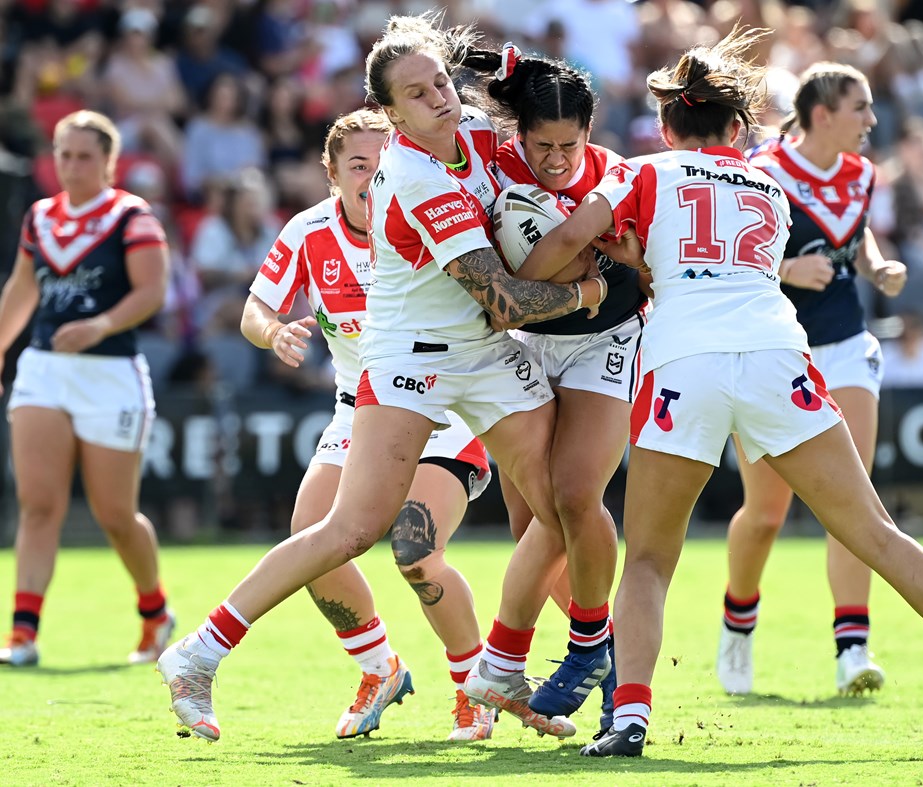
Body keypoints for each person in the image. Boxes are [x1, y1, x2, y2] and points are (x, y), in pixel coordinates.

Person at [519, 27, 923, 758]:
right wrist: (649, 259)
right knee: (874, 532)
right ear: (738, 126)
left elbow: (566, 251)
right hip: (778, 356)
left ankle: (631, 717)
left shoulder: (641, 175)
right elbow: (728, 271)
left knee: (648, 559)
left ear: (667, 124)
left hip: (685, 364)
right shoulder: (770, 187)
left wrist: (524, 286)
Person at [156, 13, 606, 742]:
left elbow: (546, 106)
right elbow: (504, 301)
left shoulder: (480, 133)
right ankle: (197, 653)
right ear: (390, 115)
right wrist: (592, 290)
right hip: (413, 357)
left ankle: (526, 669)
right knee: (352, 528)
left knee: (566, 506)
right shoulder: (414, 175)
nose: (439, 98)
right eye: (418, 93)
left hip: (486, 354)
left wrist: (506, 70)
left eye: (441, 83)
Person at [240, 108, 495, 741]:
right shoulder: (309, 231)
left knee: (416, 552)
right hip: (360, 410)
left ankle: (475, 687)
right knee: (310, 540)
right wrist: (273, 333)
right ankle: (378, 667)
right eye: (359, 163)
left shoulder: (431, 214)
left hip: (445, 407)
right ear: (330, 173)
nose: (375, 174)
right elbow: (255, 308)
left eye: (386, 161)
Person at [461, 43, 646, 734]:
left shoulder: (620, 177)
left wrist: (590, 262)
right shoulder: (491, 159)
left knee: (572, 496)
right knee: (533, 527)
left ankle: (578, 647)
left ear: (591, 133)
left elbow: (637, 273)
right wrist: (579, 262)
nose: (558, 159)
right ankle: (611, 662)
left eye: (571, 144)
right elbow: (523, 289)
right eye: (544, 145)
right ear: (520, 135)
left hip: (608, 338)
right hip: (526, 344)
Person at [715, 62, 907, 698]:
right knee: (765, 512)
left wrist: (877, 266)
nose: (870, 122)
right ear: (823, 114)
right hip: (773, 350)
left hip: (848, 344)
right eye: (861, 108)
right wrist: (789, 270)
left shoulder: (862, 173)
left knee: (855, 505)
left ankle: (853, 647)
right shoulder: (761, 170)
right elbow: (729, 250)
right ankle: (737, 626)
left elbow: (855, 231)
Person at [0, 111, 174, 667]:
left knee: (115, 515)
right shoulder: (39, 217)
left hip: (110, 373)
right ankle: (22, 633)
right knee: (38, 503)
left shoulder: (132, 215)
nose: (71, 167)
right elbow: (22, 290)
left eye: (83, 156)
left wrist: (100, 325)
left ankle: (154, 612)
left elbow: (152, 291)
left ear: (108, 162)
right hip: (44, 369)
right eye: (63, 154)